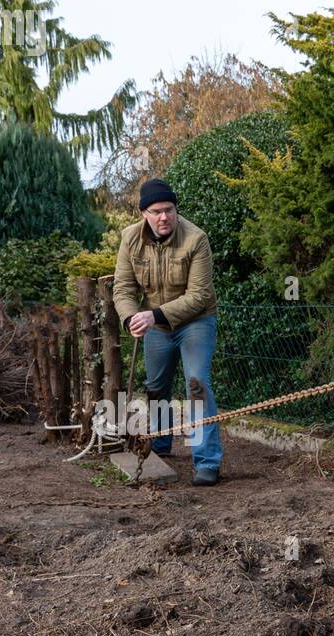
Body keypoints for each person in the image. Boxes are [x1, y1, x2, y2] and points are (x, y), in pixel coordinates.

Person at [112, 178, 223, 485]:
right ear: (144, 213)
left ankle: (207, 461)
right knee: (156, 387)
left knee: (196, 383)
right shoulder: (130, 239)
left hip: (196, 321)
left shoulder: (196, 239)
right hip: (154, 326)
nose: (164, 217)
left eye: (169, 210)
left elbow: (199, 295)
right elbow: (122, 287)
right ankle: (160, 443)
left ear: (176, 209)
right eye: (157, 211)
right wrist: (130, 318)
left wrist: (154, 314)